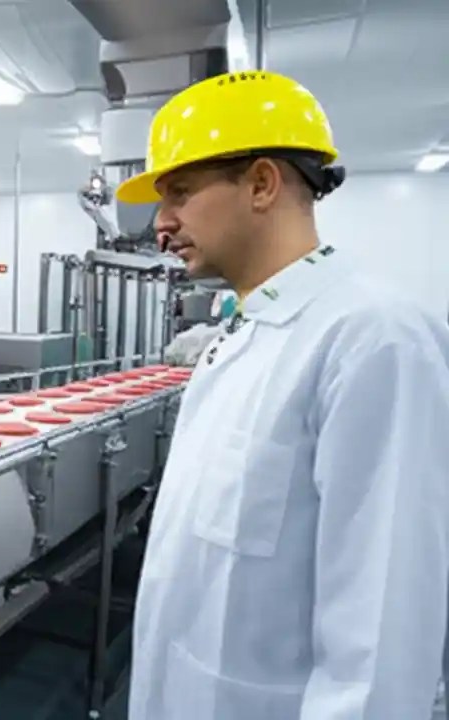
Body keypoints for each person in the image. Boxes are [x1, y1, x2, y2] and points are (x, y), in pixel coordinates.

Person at [117, 70, 449, 719]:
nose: (161, 224)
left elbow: (380, 641)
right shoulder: (244, 334)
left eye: (179, 192)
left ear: (263, 183)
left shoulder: (374, 340)